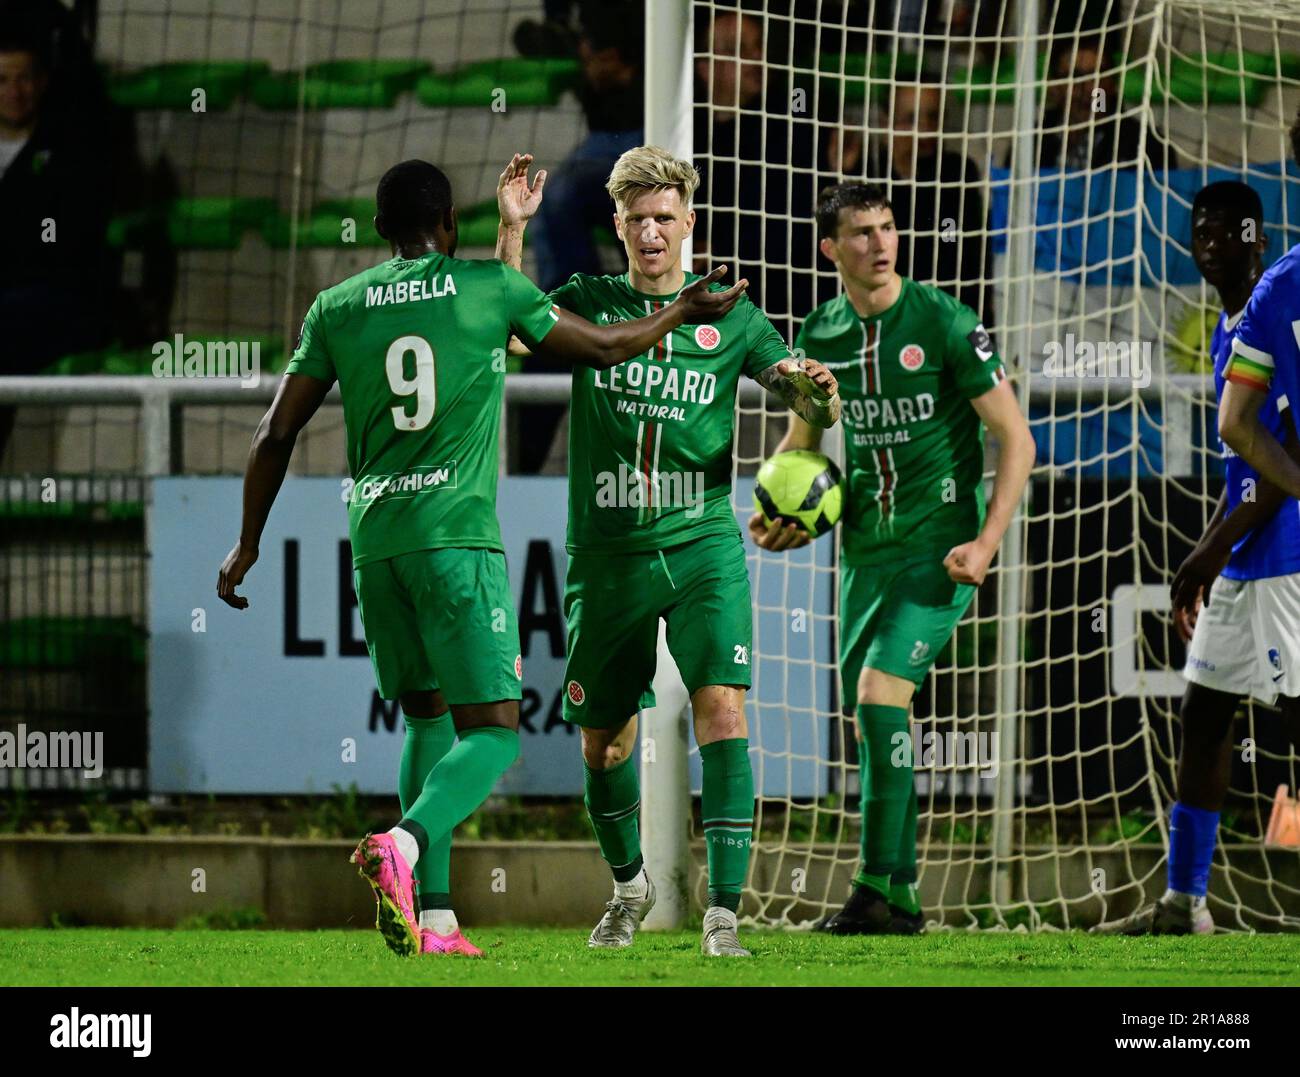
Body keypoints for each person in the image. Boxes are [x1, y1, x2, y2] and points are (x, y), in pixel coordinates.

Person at [215, 158, 745, 958]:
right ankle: (408, 839)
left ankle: (436, 919)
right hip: (455, 539)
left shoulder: (336, 305)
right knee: (494, 730)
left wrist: (248, 541)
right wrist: (678, 316)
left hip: (375, 542)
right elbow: (601, 349)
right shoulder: (483, 288)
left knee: (426, 715)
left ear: (378, 228)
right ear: (451, 223)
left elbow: (273, 434)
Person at [496, 146, 840, 956]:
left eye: (665, 217)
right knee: (604, 741)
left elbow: (797, 388)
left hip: (701, 543)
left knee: (723, 708)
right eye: (637, 219)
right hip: (607, 551)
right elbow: (506, 331)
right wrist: (512, 232)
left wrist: (816, 394)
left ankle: (723, 914)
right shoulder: (587, 299)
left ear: (690, 222)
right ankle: (629, 887)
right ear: (617, 225)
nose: (651, 233)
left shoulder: (729, 312)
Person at [750, 182, 1034, 934]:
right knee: (875, 718)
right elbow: (803, 445)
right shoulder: (822, 332)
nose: (879, 244)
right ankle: (903, 897)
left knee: (880, 697)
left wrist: (987, 541)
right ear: (830, 249)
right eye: (861, 233)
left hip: (939, 548)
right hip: (863, 550)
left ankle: (873, 887)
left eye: (887, 228)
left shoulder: (943, 320)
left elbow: (1017, 437)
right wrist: (778, 507)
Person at [1095, 181, 1300, 935]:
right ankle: (1185, 901)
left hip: (1288, 551)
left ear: (1257, 238)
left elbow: (1289, 461)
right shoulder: (1228, 328)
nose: (1209, 243)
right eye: (1199, 232)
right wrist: (1211, 550)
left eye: (1224, 232)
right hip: (1248, 556)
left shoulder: (1278, 307)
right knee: (1205, 712)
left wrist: (1212, 546)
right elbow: (1248, 463)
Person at [830, 75, 994, 324]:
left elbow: (965, 259)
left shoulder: (956, 172)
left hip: (942, 318)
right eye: (911, 119)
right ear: (887, 122)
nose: (924, 129)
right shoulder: (866, 172)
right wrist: (840, 174)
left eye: (932, 117)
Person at [1038, 34, 1178, 172]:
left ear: (1112, 85)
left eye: (1096, 77)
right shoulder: (1033, 142)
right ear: (1054, 87)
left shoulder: (1146, 146)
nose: (1087, 89)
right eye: (1075, 77)